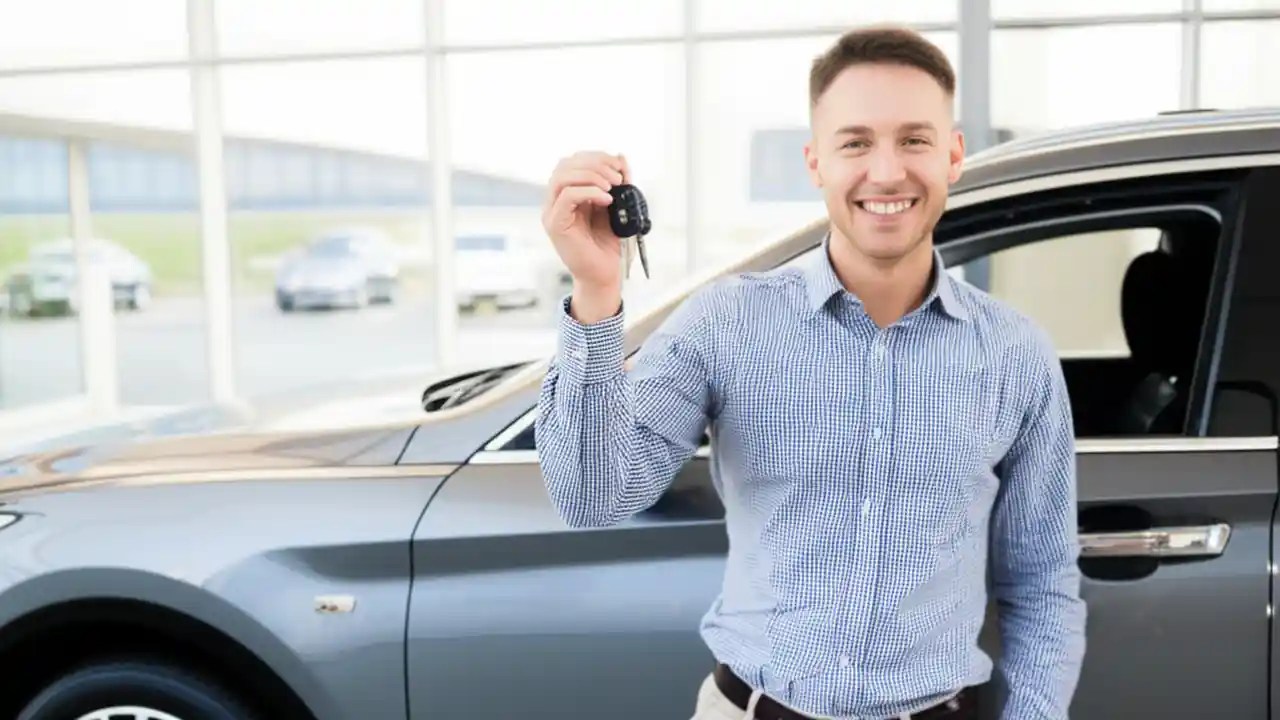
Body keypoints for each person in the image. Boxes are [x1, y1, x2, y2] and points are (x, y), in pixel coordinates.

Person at [534, 24, 1086, 720]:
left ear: (952, 156)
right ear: (815, 162)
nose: (886, 172)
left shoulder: (1015, 354)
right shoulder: (727, 322)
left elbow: (1041, 584)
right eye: (855, 143)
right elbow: (592, 496)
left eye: (914, 140)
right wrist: (595, 293)